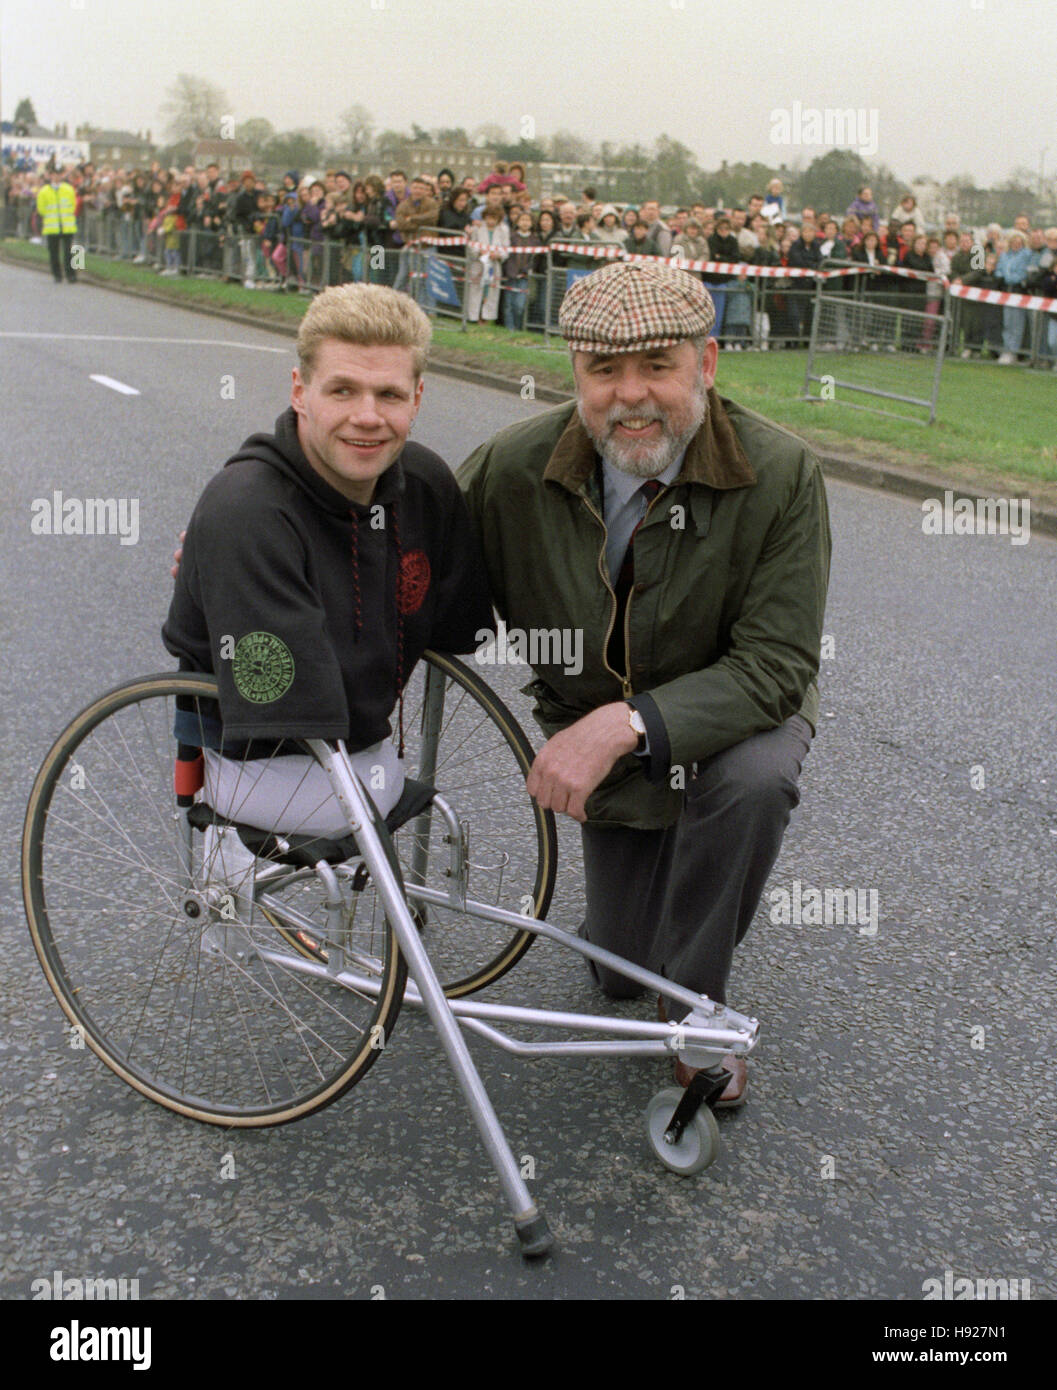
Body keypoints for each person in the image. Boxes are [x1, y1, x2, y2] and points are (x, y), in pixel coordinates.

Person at [457, 261, 831, 1103]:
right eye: (603, 370)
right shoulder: (512, 469)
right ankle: (643, 913)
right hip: (597, 715)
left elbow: (775, 665)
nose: (631, 395)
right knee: (617, 975)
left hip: (740, 708)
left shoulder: (781, 473)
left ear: (707, 363)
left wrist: (618, 725)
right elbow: (415, 571)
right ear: (574, 375)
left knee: (752, 782)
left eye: (658, 365)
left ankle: (701, 1013)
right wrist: (265, 532)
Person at [163, 284, 492, 855]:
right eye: (342, 390)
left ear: (417, 398)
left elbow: (460, 625)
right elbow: (296, 711)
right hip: (266, 772)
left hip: (373, 757)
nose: (367, 417)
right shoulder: (247, 508)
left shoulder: (426, 481)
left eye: (388, 394)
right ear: (300, 391)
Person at [36, 165, 78, 283]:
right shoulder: (44, 191)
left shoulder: (68, 189)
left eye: (59, 174)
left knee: (69, 252)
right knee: (54, 253)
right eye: (54, 174)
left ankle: (71, 274)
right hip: (52, 227)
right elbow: (41, 209)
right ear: (50, 176)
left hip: (67, 226)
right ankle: (57, 274)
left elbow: (73, 204)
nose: (56, 177)